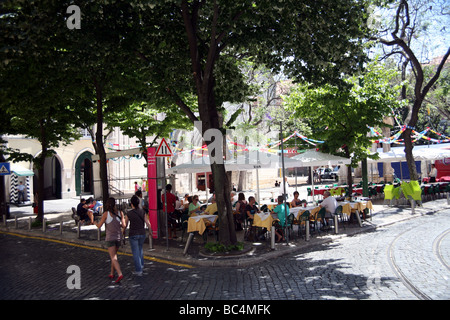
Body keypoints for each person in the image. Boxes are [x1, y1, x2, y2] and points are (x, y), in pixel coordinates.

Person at [94, 197, 126, 283]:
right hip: (118, 238)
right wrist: (117, 225)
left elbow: (99, 225)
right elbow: (124, 225)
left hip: (110, 238)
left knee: (113, 257)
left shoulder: (106, 214)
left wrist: (94, 222)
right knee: (114, 256)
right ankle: (112, 273)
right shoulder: (120, 213)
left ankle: (120, 274)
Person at [125, 195, 151, 276]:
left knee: (135, 252)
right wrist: (150, 231)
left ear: (131, 204)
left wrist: (122, 231)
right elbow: (148, 223)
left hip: (133, 234)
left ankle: (139, 270)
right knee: (140, 250)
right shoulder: (142, 211)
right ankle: (141, 265)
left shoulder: (129, 213)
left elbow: (125, 225)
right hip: (142, 233)